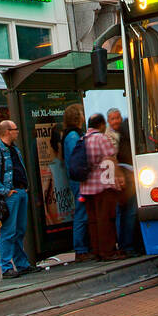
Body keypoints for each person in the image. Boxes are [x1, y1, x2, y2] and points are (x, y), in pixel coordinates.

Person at [0, 119, 36, 278]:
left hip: (19, 192)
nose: (17, 132)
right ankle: (6, 267)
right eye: (15, 129)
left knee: (19, 230)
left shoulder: (14, 149)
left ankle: (21, 264)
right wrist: (5, 191)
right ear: (7, 131)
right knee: (8, 231)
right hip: (11, 195)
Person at [80, 115, 124, 261]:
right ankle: (108, 251)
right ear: (101, 124)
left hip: (86, 187)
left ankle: (97, 251)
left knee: (93, 221)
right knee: (106, 219)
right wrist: (118, 177)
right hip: (102, 186)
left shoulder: (83, 139)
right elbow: (110, 158)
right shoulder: (101, 138)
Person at [108, 108, 140, 256]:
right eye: (113, 119)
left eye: (117, 118)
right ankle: (127, 246)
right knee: (130, 211)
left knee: (122, 212)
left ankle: (124, 245)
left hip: (121, 175)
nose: (116, 121)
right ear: (108, 121)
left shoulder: (116, 132)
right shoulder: (116, 134)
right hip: (125, 175)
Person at [63, 104, 91, 262]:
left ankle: (83, 248)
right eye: (81, 114)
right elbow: (78, 156)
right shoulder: (74, 136)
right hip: (79, 180)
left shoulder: (70, 134)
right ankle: (80, 249)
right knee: (81, 212)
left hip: (77, 179)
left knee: (82, 211)